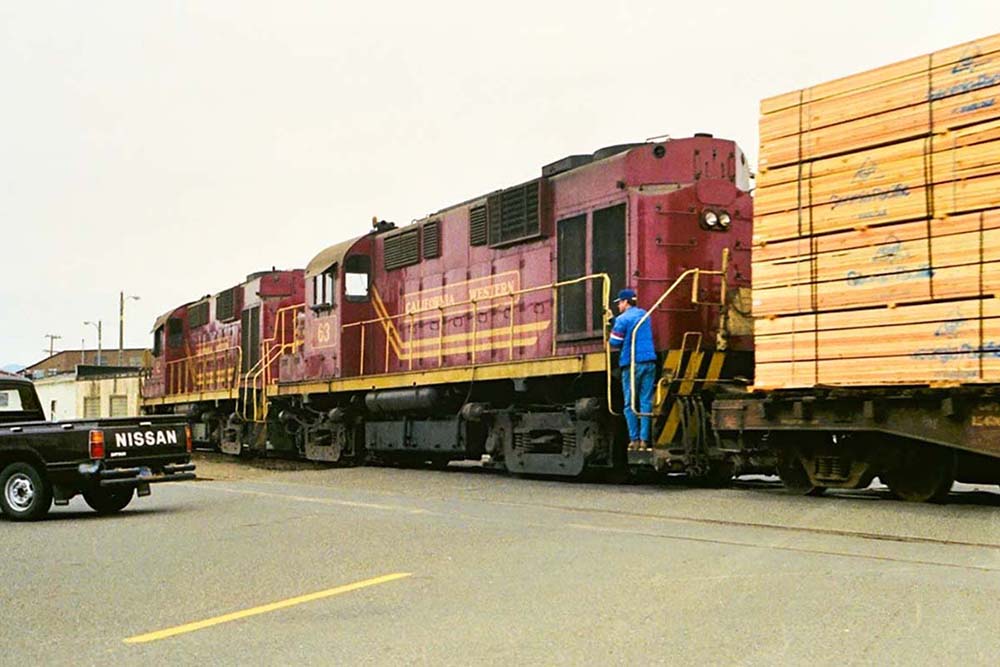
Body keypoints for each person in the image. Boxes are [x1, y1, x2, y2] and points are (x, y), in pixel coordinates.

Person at [608, 288, 657, 451]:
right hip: (649, 362)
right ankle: (645, 440)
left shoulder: (622, 319)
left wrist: (612, 324)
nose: (618, 306)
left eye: (620, 303)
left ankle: (634, 440)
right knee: (645, 401)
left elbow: (614, 342)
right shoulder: (645, 315)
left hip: (632, 363)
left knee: (629, 403)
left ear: (625, 302)